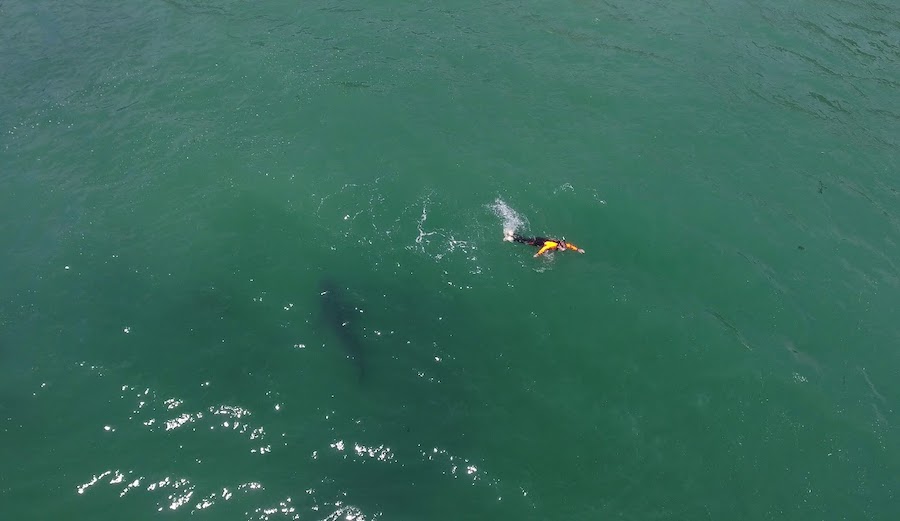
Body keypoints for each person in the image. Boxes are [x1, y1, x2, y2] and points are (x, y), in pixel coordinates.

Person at [504, 231, 585, 257]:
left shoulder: (564, 245)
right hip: (539, 242)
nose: (563, 249)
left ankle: (513, 234)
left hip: (544, 240)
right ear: (559, 246)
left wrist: (578, 249)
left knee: (526, 239)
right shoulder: (552, 245)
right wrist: (538, 254)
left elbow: (570, 246)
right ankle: (511, 238)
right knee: (525, 242)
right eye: (562, 249)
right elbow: (544, 248)